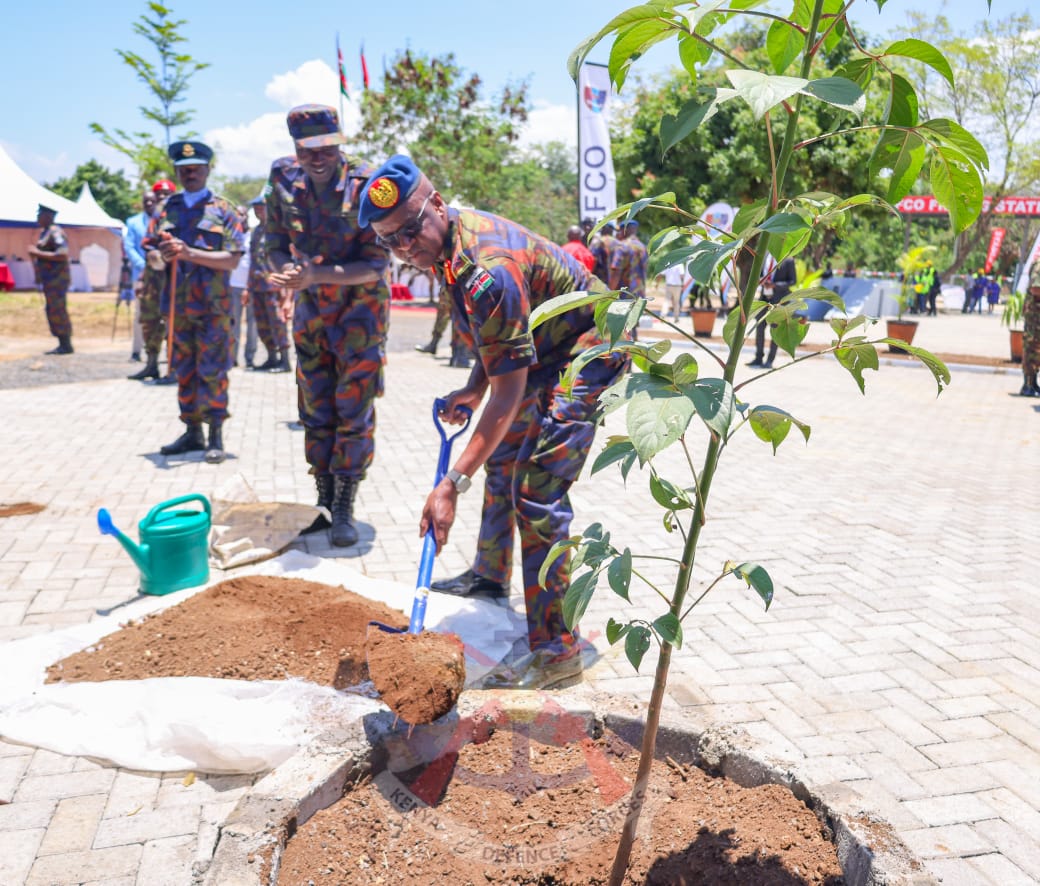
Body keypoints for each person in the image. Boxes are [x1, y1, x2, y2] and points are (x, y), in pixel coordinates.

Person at [359, 155, 629, 690]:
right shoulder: (446, 247)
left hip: (589, 349)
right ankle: (487, 577)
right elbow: (500, 350)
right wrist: (472, 388)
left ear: (437, 204)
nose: (406, 247)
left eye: (411, 230)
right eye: (391, 241)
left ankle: (557, 651)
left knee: (537, 493)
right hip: (544, 351)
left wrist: (450, 483)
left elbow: (510, 387)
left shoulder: (488, 268)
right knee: (502, 460)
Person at [265, 104, 390, 547]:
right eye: (306, 149)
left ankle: (344, 504)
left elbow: (376, 266)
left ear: (339, 144)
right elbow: (274, 243)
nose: (316, 158)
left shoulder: (369, 186)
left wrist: (316, 275)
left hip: (360, 319)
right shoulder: (282, 179)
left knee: (352, 413)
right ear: (295, 149)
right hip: (311, 318)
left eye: (325, 148)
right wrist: (284, 271)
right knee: (315, 411)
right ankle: (322, 499)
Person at [146, 141, 245, 464]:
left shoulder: (224, 210)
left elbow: (232, 259)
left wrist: (191, 254)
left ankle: (215, 435)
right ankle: (192, 432)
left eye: (196, 168)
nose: (190, 174)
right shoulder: (166, 209)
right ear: (176, 171)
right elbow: (150, 250)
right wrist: (161, 256)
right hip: (176, 306)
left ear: (207, 170)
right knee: (184, 369)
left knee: (213, 371)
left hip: (213, 309)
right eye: (184, 169)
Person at [129, 179, 176, 382]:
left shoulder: (179, 216)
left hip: (174, 279)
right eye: (159, 195)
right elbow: (146, 246)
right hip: (152, 279)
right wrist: (141, 279)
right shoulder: (155, 219)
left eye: (166, 194)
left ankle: (173, 368)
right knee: (149, 321)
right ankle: (151, 364)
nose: (162, 198)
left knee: (174, 323)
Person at [246, 194, 291, 371]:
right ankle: (271, 357)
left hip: (274, 286)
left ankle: (285, 360)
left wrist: (288, 294)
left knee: (277, 323)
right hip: (257, 285)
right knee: (262, 323)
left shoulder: (278, 230)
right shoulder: (256, 231)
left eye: (261, 207)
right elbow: (252, 259)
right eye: (256, 208)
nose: (258, 211)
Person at [26, 204, 72, 355]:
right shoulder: (44, 233)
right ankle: (61, 342)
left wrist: (37, 253)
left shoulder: (55, 232)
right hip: (49, 279)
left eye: (40, 215)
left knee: (57, 310)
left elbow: (62, 254)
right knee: (52, 309)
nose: (37, 218)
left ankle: (65, 344)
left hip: (57, 279)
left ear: (48, 216)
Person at [122, 190, 157, 362]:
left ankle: (157, 352)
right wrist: (145, 265)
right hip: (141, 275)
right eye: (146, 201)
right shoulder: (133, 222)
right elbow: (129, 247)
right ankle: (136, 351)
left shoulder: (163, 221)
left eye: (152, 201)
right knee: (139, 314)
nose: (149, 204)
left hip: (161, 274)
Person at [747, 255, 796, 369]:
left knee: (775, 330)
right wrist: (761, 280)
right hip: (764, 298)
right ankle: (758, 358)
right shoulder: (764, 256)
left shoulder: (788, 260)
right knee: (759, 327)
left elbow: (792, 281)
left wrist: (775, 285)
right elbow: (759, 274)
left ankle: (769, 360)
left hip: (779, 300)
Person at [227, 205, 257, 369]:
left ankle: (250, 358)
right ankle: (232, 358)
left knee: (252, 324)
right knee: (233, 324)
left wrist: (249, 286)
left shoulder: (253, 236)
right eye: (238, 214)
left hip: (251, 286)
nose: (241, 217)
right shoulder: (230, 236)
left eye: (243, 214)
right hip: (233, 286)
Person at [1021, 262, 1040, 397]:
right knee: (1032, 348)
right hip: (1035, 316)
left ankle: (1033, 383)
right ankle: (1028, 384)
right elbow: (1036, 289)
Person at [620, 220, 648, 300]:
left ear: (624, 230)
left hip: (624, 291)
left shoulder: (622, 245)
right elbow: (645, 267)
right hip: (640, 289)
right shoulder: (642, 246)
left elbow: (616, 270)